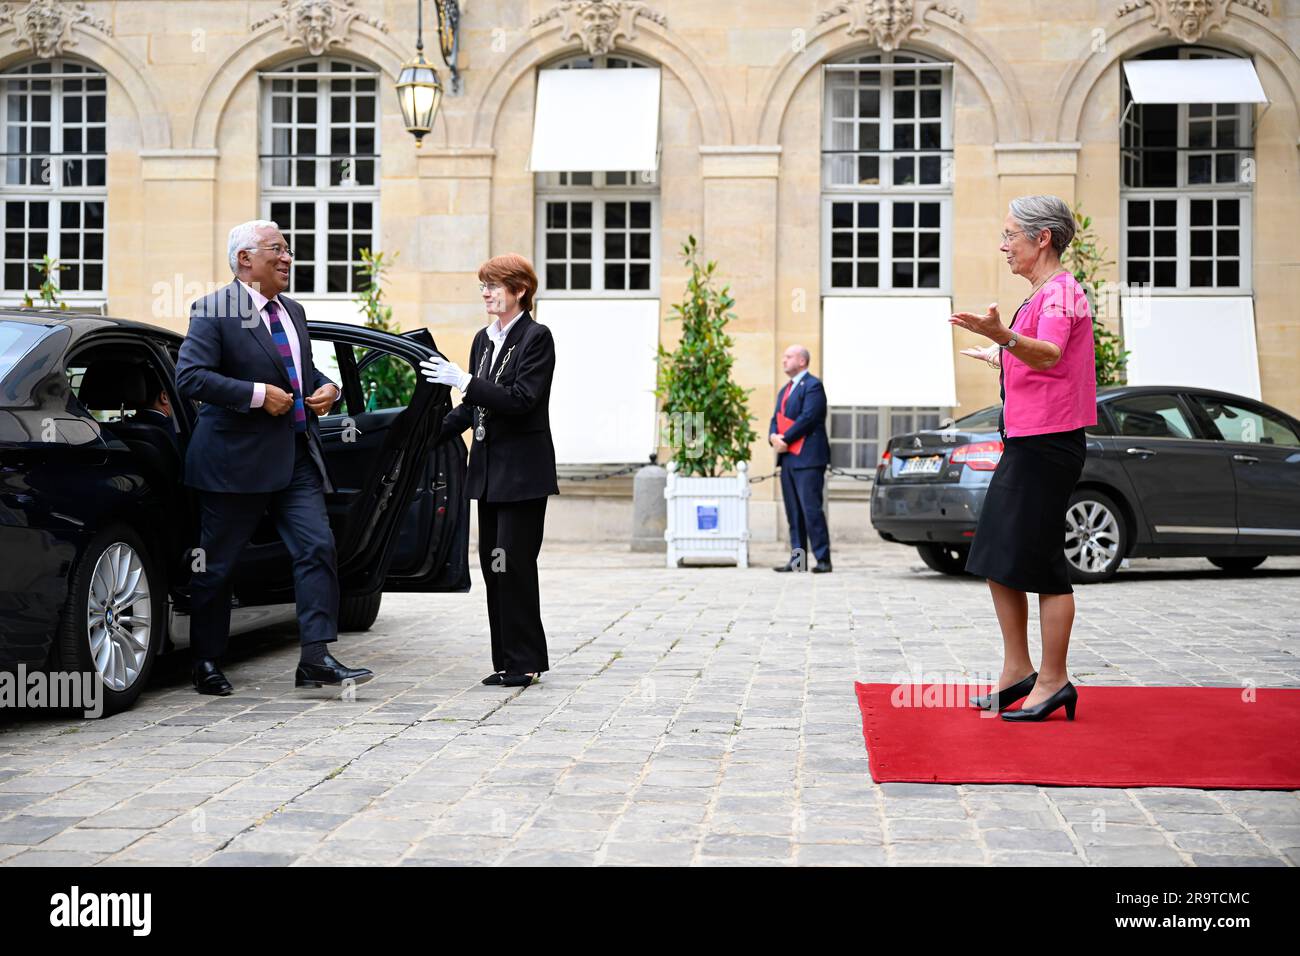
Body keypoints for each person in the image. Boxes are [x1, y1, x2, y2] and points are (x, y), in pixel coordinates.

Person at [175, 219, 374, 697]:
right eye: (277, 250)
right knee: (217, 565)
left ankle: (316, 658)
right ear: (246, 259)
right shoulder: (214, 309)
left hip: (294, 457)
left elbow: (299, 370)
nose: (287, 258)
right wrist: (257, 394)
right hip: (232, 462)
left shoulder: (294, 310)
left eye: (288, 250)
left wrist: (327, 385)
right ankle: (205, 660)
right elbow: (191, 377)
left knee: (316, 548)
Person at [950, 195, 1097, 722]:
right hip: (1028, 439)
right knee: (997, 553)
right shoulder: (1041, 294)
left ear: (1043, 239)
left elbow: (1051, 353)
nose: (1002, 244)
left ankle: (1055, 680)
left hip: (1049, 444)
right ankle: (1018, 670)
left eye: (1011, 234)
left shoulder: (1062, 293)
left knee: (1041, 562)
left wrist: (1003, 337)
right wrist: (1000, 350)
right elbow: (1039, 355)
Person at [420, 254, 557, 689]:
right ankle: (507, 660)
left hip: (522, 474)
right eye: (484, 285)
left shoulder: (537, 337)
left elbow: (519, 399)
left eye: (495, 285)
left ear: (520, 290)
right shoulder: (484, 339)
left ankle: (526, 660)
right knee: (493, 567)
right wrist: (426, 436)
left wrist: (462, 378)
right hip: (489, 473)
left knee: (514, 566)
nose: (486, 293)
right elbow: (474, 405)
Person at [769, 344, 832, 573]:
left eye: (788, 357)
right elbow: (775, 418)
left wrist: (785, 437)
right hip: (788, 459)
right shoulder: (785, 389)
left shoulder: (813, 386)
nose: (784, 360)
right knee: (793, 512)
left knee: (811, 510)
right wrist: (773, 436)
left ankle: (823, 559)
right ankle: (798, 561)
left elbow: (809, 417)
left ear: (802, 361)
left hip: (808, 459)